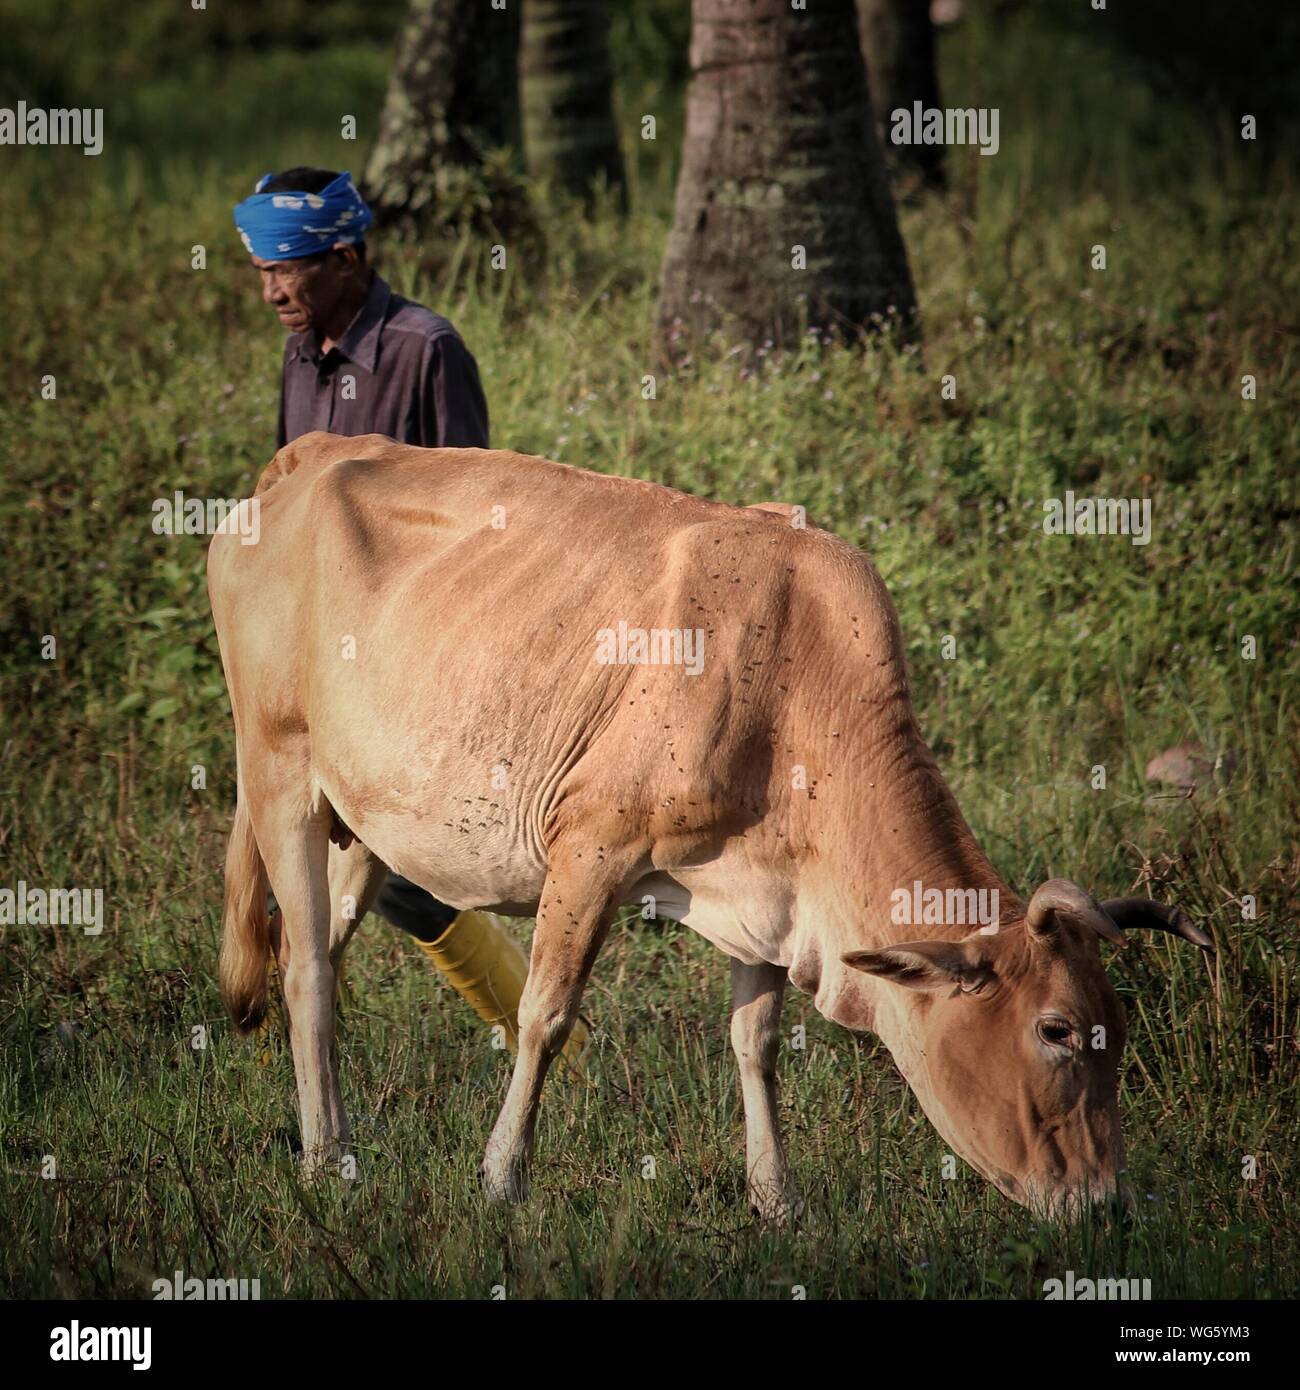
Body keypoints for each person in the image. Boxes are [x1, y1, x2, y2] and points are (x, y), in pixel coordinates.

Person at [231, 167, 576, 1059]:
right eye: (262, 270)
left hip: (411, 654)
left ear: (345, 256)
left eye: (289, 268)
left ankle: (536, 1028)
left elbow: (475, 517)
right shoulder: (301, 349)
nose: (272, 290)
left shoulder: (427, 348)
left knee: (403, 872)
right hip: (317, 651)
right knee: (320, 869)